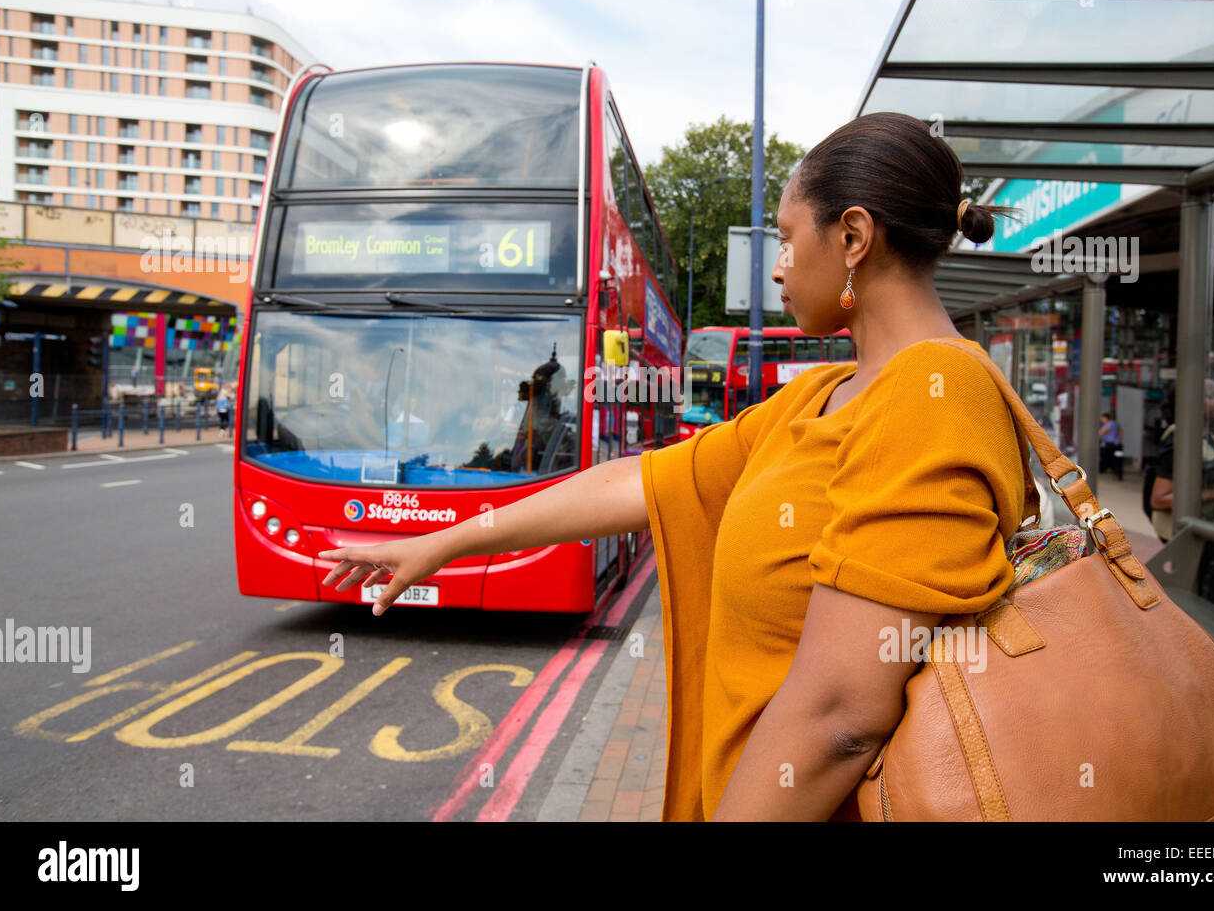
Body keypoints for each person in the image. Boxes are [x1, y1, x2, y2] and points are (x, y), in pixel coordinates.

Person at [316, 112, 1035, 821]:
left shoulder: (932, 393)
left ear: (852, 237)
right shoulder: (821, 395)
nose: (777, 267)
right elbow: (642, 480)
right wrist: (443, 542)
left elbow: (840, 719)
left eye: (786, 239)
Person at [1149, 378, 1214, 541]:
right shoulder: (1180, 440)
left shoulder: (1205, 437)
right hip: (1183, 537)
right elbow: (1158, 500)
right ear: (1189, 401)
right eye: (1211, 396)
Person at [1099, 411, 1123, 480]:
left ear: (1106, 418)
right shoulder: (1113, 424)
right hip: (1114, 444)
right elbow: (1120, 432)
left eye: (1102, 418)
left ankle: (1111, 470)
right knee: (1112, 458)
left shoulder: (1110, 424)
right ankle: (1113, 470)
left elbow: (1102, 432)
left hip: (1111, 445)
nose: (1101, 419)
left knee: (1111, 458)